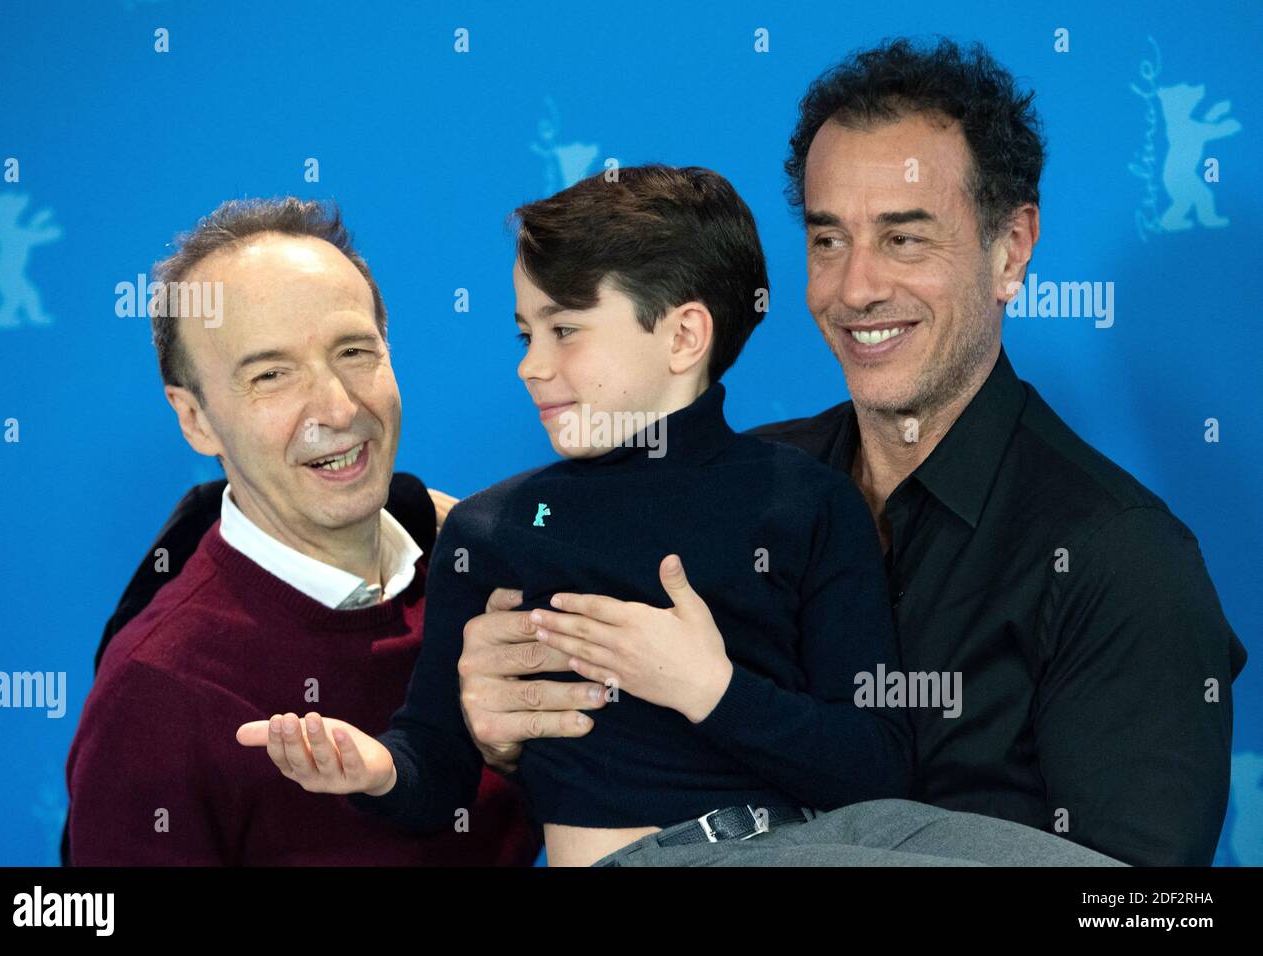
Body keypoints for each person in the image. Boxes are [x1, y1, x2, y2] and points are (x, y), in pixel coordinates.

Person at [451, 38, 1247, 867]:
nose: (856, 287)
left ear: (1010, 250)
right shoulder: (724, 489)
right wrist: (500, 728)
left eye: (904, 240)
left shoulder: (1124, 563)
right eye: (829, 241)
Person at [236, 164, 1123, 868]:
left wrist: (708, 689)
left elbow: (876, 761)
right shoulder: (496, 532)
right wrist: (375, 770)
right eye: (524, 335)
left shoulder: (810, 502)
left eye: (565, 330)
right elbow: (433, 766)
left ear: (685, 336)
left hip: (834, 838)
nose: (531, 367)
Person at [64, 198, 538, 865]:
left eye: (353, 351)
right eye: (271, 375)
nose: (337, 409)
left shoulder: (481, 574)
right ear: (195, 418)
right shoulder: (157, 695)